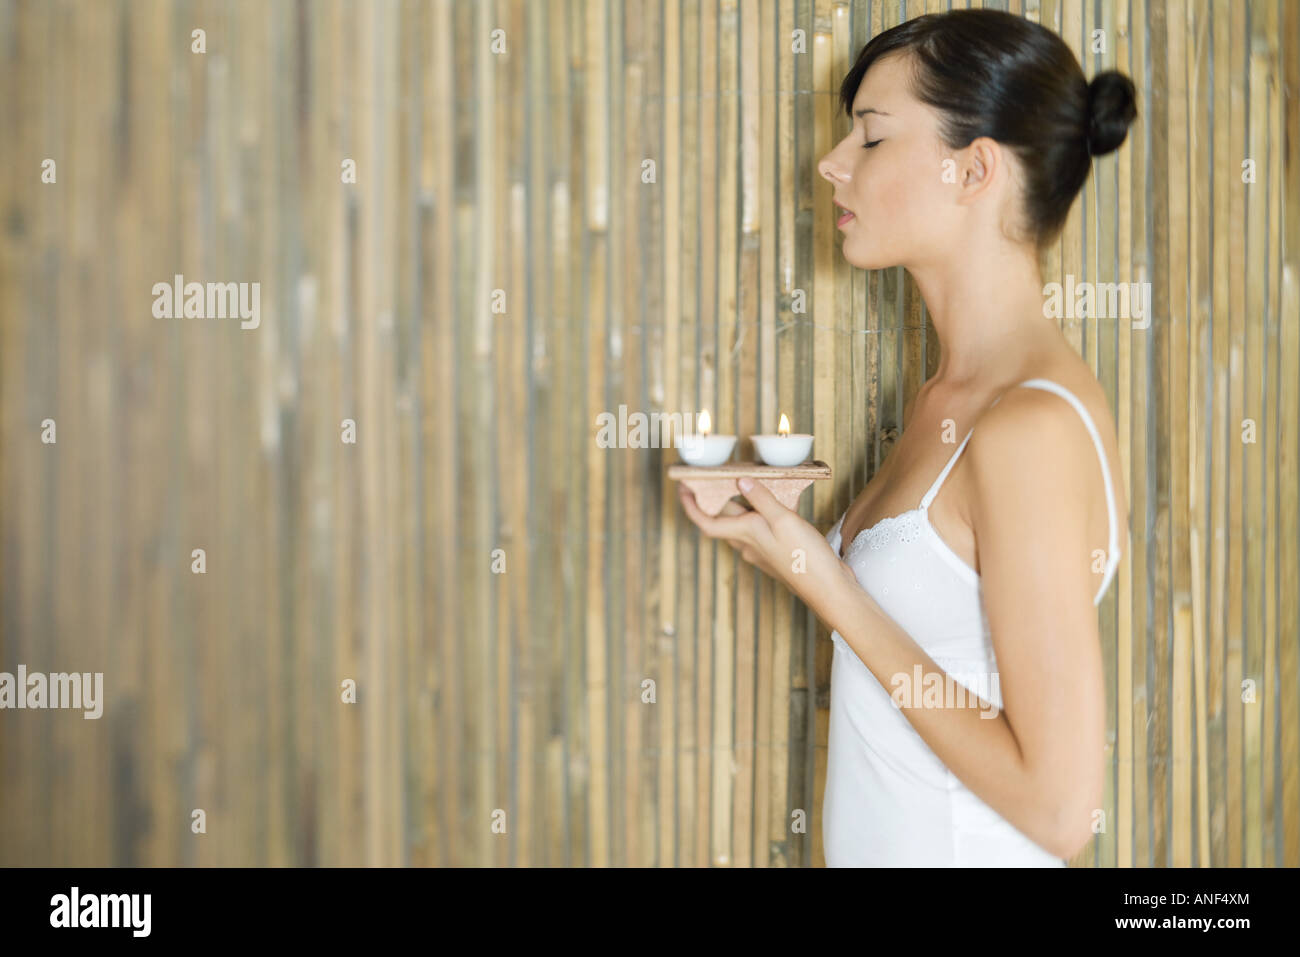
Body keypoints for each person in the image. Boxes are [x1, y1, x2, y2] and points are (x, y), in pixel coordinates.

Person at [677, 8, 1135, 866]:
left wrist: (824, 582)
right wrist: (787, 546)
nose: (832, 163)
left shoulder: (1027, 426)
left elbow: (1062, 808)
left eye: (871, 137)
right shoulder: (947, 399)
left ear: (974, 169)